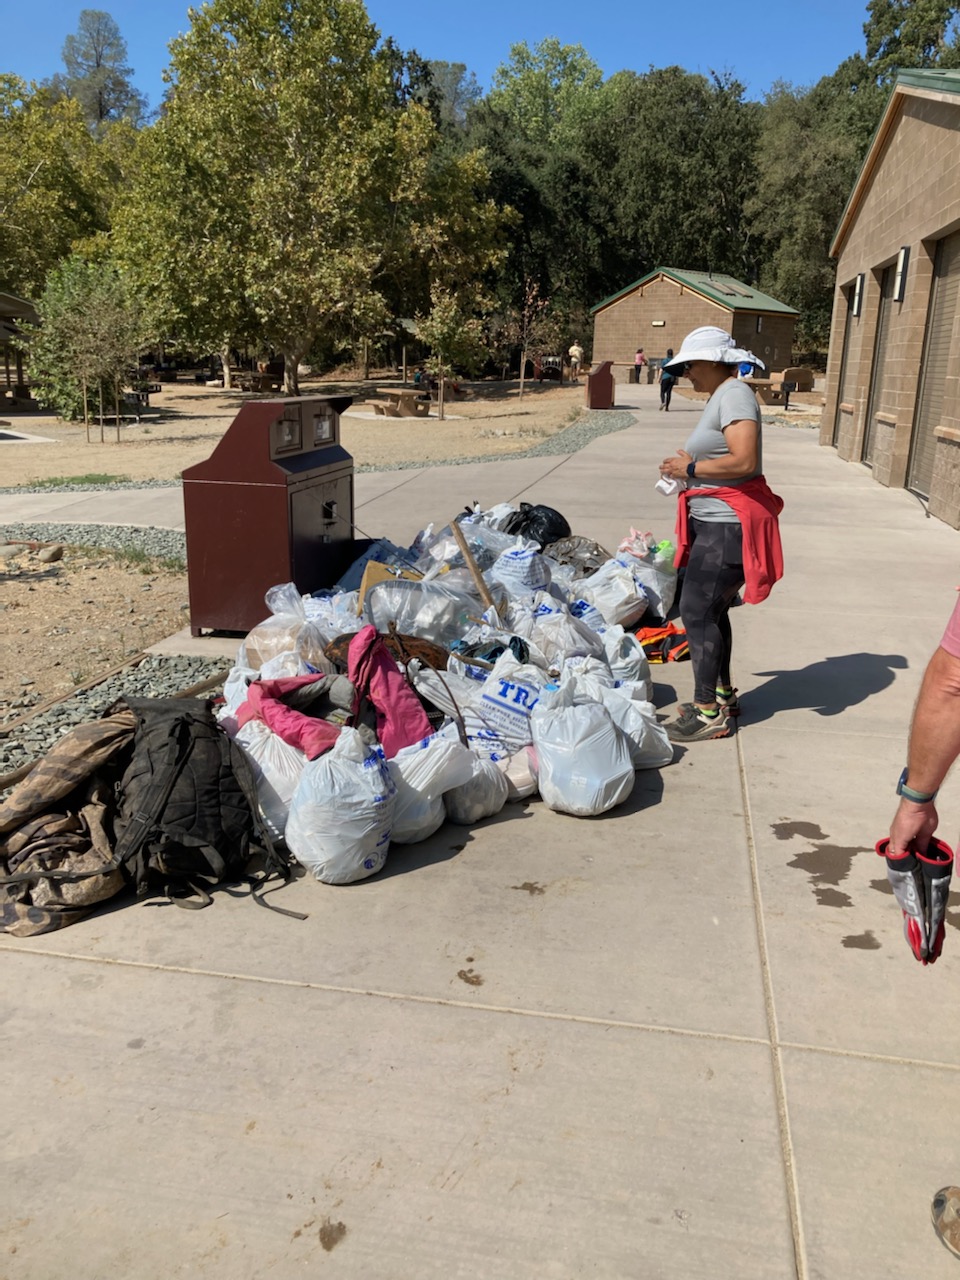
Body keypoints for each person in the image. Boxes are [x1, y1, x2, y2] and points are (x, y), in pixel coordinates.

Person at [658, 326, 784, 743]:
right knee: (713, 610)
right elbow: (723, 455)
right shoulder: (724, 396)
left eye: (691, 365)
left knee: (696, 611)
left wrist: (690, 470)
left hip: (726, 526)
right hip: (715, 522)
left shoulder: (734, 394)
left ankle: (708, 712)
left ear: (715, 361)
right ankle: (722, 696)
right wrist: (686, 465)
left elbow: (744, 460)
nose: (687, 373)